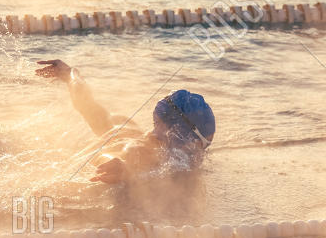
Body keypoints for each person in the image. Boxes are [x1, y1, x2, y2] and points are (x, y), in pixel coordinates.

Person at [34, 60, 214, 184]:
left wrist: (69, 74)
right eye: (199, 143)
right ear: (177, 134)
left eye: (205, 144)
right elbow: (119, 154)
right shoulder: (140, 150)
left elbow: (86, 103)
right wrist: (123, 167)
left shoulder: (125, 125)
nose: (201, 150)